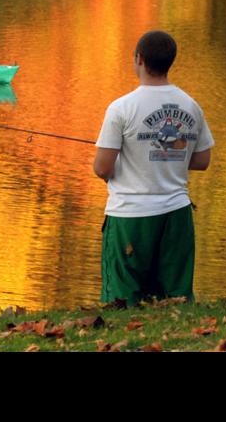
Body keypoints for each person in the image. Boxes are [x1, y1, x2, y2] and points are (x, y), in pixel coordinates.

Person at [92, 30, 214, 306]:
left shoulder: (121, 108)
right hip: (176, 214)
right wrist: (168, 156)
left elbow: (101, 168)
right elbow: (202, 160)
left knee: (122, 301)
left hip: (130, 215)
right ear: (171, 61)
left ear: (139, 59)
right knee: (175, 298)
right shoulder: (190, 105)